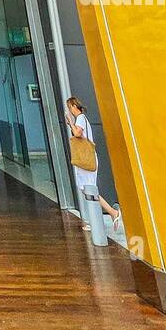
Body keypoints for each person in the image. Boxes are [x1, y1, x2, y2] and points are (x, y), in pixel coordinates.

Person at [65, 97, 122, 232]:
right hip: (87, 157)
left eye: (70, 107)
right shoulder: (82, 119)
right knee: (86, 189)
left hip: (87, 158)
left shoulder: (80, 118)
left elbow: (77, 133)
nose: (69, 110)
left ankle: (111, 213)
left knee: (90, 189)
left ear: (74, 106)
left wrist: (71, 123)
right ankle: (96, 219)